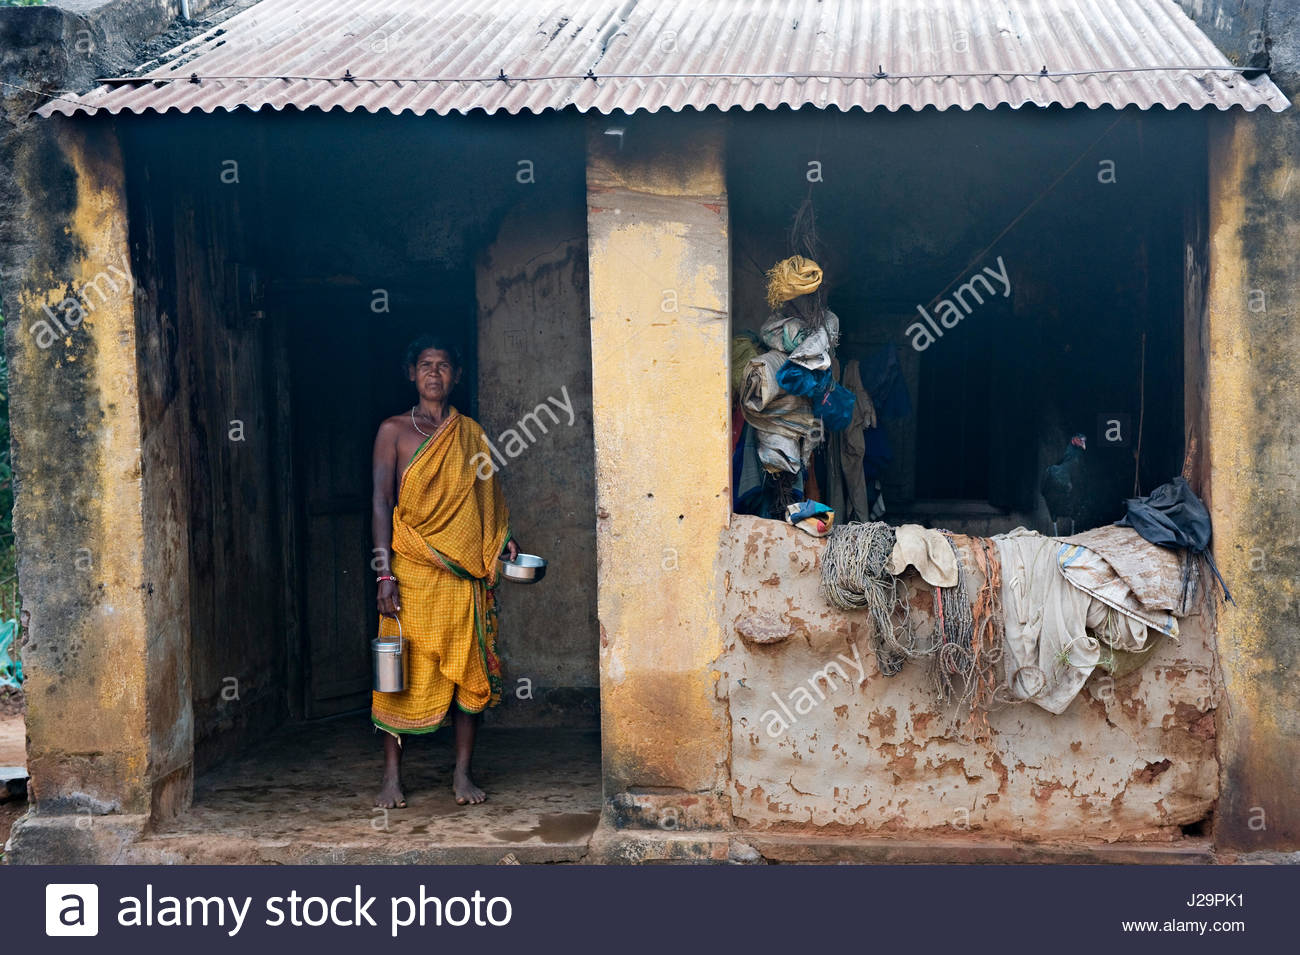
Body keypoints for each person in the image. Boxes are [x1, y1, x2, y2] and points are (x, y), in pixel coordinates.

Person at [370, 335, 519, 807]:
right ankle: (392, 776)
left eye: (444, 366)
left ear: (456, 375)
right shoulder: (392, 430)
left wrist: (501, 542)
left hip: (461, 576)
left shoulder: (470, 434)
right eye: (425, 365)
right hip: (411, 569)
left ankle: (462, 773)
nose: (434, 373)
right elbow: (380, 503)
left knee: (467, 673)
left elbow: (484, 505)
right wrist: (383, 574)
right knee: (400, 670)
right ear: (411, 374)